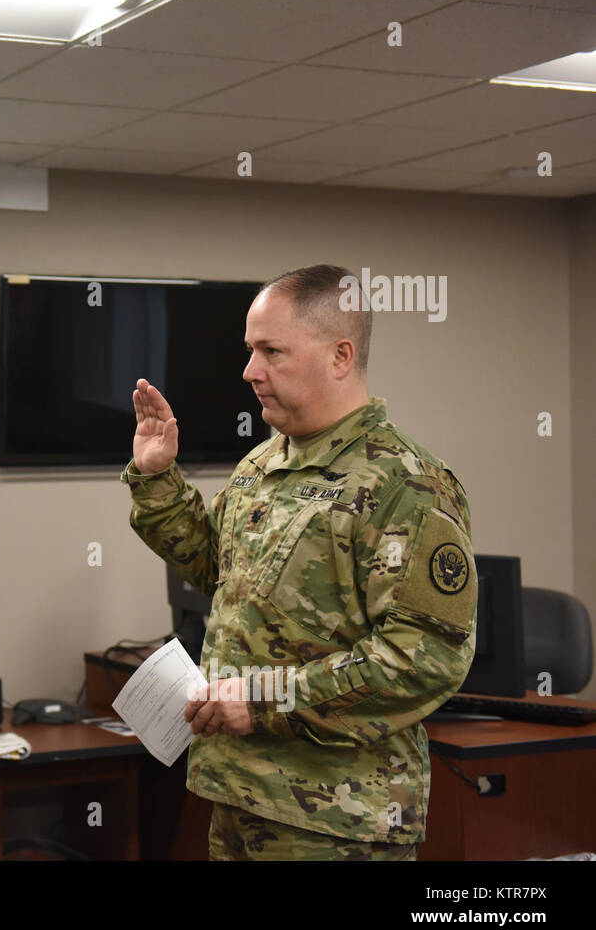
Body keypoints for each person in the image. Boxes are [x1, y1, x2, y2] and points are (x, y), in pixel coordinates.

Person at [121, 264, 477, 860]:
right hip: (241, 796)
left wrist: (260, 700)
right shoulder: (264, 464)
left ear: (341, 355)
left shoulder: (406, 484)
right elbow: (216, 567)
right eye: (250, 350)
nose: (249, 371)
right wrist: (158, 479)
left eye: (271, 352)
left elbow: (424, 662)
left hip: (335, 821)